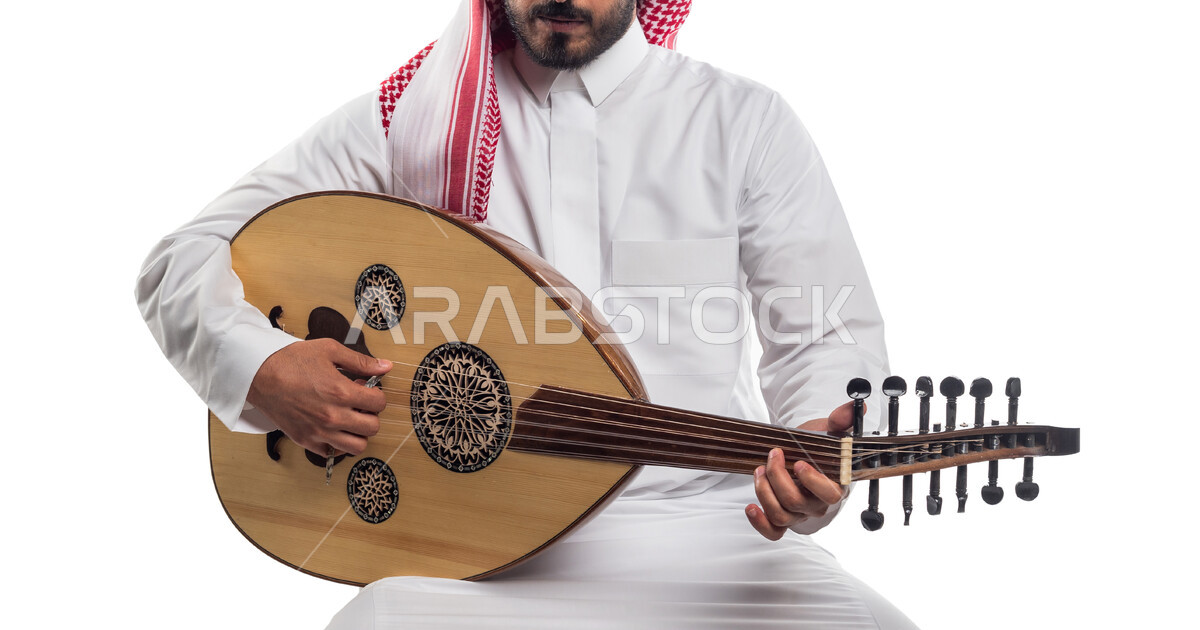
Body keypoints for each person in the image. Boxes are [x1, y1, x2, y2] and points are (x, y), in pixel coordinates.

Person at [136, 0, 914, 627]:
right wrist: (262, 367)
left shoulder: (741, 122)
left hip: (713, 533)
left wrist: (817, 453)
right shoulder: (416, 120)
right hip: (477, 556)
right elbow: (181, 260)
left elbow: (823, 333)